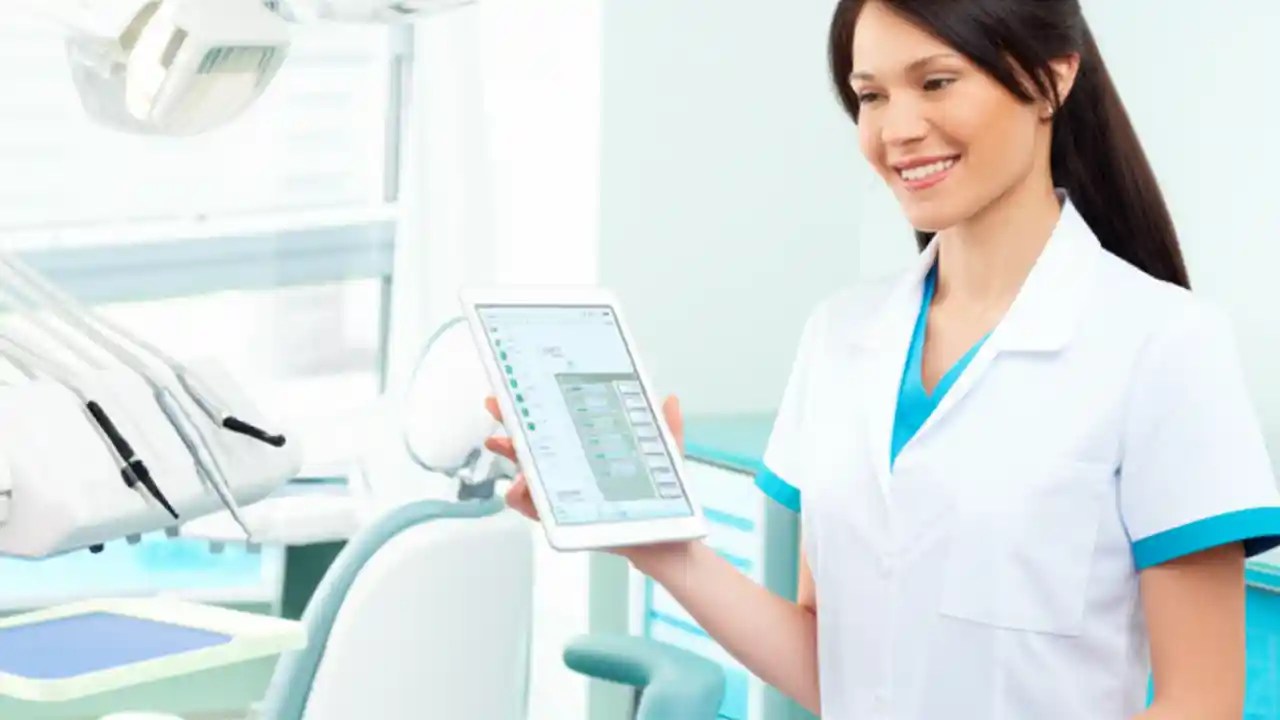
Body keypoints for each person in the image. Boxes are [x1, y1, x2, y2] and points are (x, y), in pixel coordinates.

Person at [486, 1, 1280, 717]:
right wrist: (663, 550)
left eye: (935, 83)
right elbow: (834, 665)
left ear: (1050, 81)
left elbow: (1200, 703)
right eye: (871, 96)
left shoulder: (1163, 344)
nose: (896, 129)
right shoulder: (840, 337)